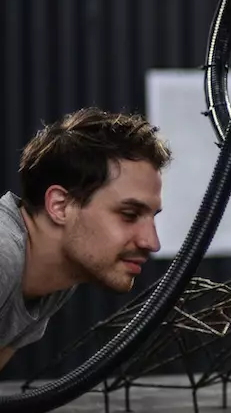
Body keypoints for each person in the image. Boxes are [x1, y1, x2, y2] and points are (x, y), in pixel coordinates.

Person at [0, 108, 172, 371]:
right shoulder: (4, 255)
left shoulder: (56, 275)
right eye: (129, 214)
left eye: (152, 216)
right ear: (60, 206)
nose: (152, 242)